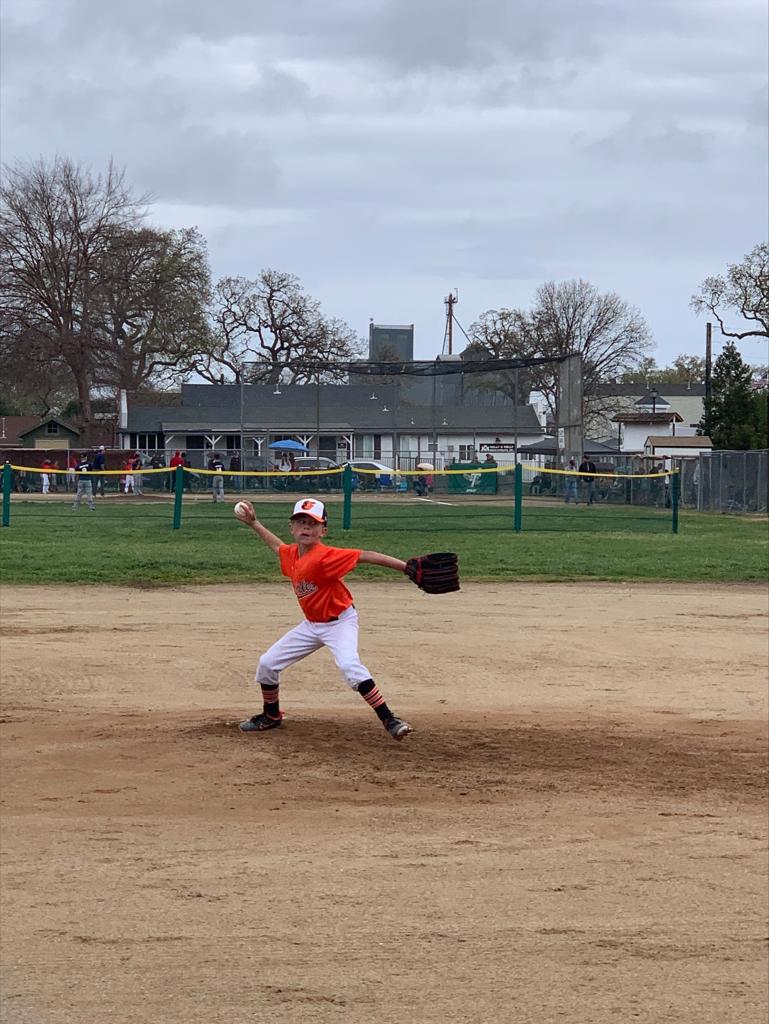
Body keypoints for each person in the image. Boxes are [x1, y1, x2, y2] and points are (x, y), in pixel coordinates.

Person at [234, 497, 412, 741]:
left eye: (313, 523)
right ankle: (271, 716)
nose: (306, 527)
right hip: (312, 625)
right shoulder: (292, 554)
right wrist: (254, 524)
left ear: (323, 530)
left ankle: (390, 719)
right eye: (300, 522)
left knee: (350, 666)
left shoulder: (326, 556)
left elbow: (366, 555)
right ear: (292, 528)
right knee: (267, 664)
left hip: (340, 622)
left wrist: (406, 568)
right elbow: (278, 548)